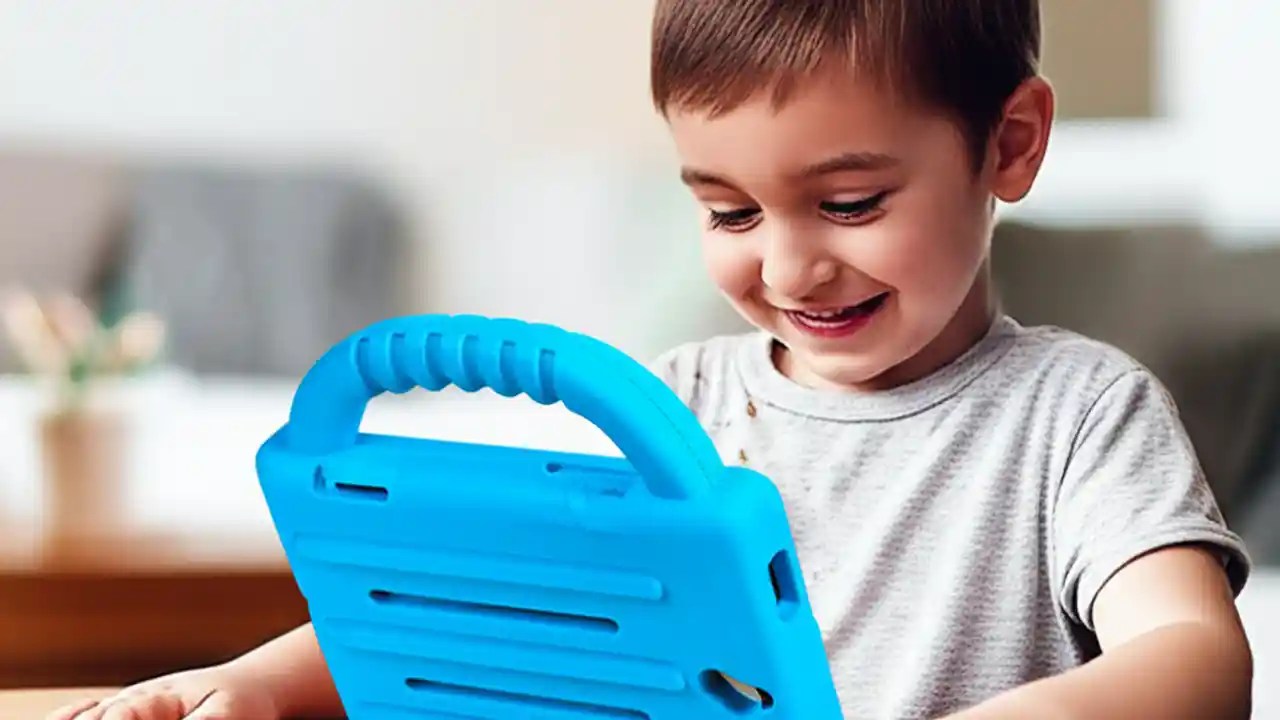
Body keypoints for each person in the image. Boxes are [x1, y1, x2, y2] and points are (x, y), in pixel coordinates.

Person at [50, 1, 1253, 718]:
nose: (786, 271)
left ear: (1008, 143)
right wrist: (263, 679)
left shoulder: (1078, 415)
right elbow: (486, 607)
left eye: (846, 202)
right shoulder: (671, 405)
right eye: (728, 214)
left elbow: (1193, 659)